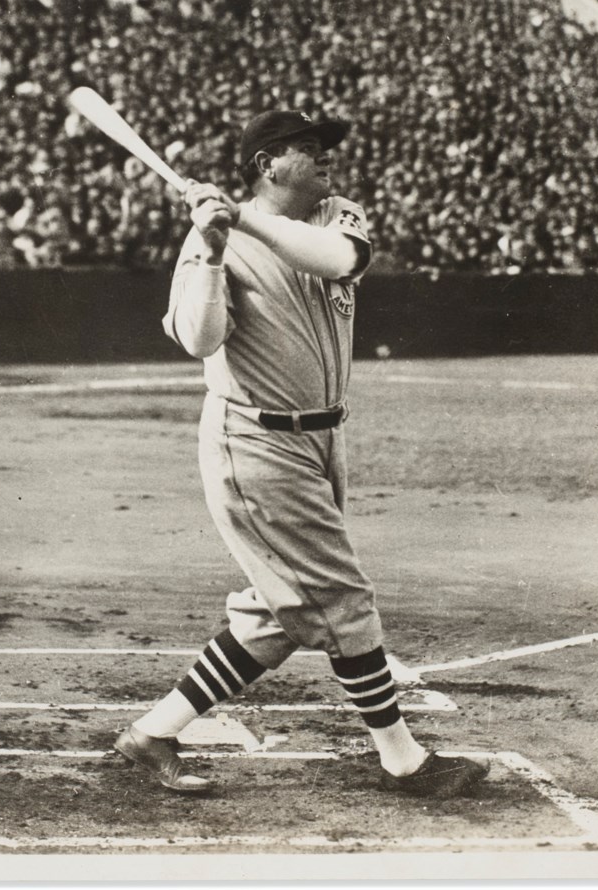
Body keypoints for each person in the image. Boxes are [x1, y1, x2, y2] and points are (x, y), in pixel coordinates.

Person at [113, 110, 489, 798]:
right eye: (308, 151)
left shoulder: (338, 216)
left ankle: (152, 733)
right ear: (267, 165)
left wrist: (242, 222)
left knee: (279, 612)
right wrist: (212, 245)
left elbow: (341, 261)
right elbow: (199, 339)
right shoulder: (212, 240)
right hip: (254, 441)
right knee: (341, 597)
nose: (326, 161)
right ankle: (402, 759)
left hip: (322, 440)